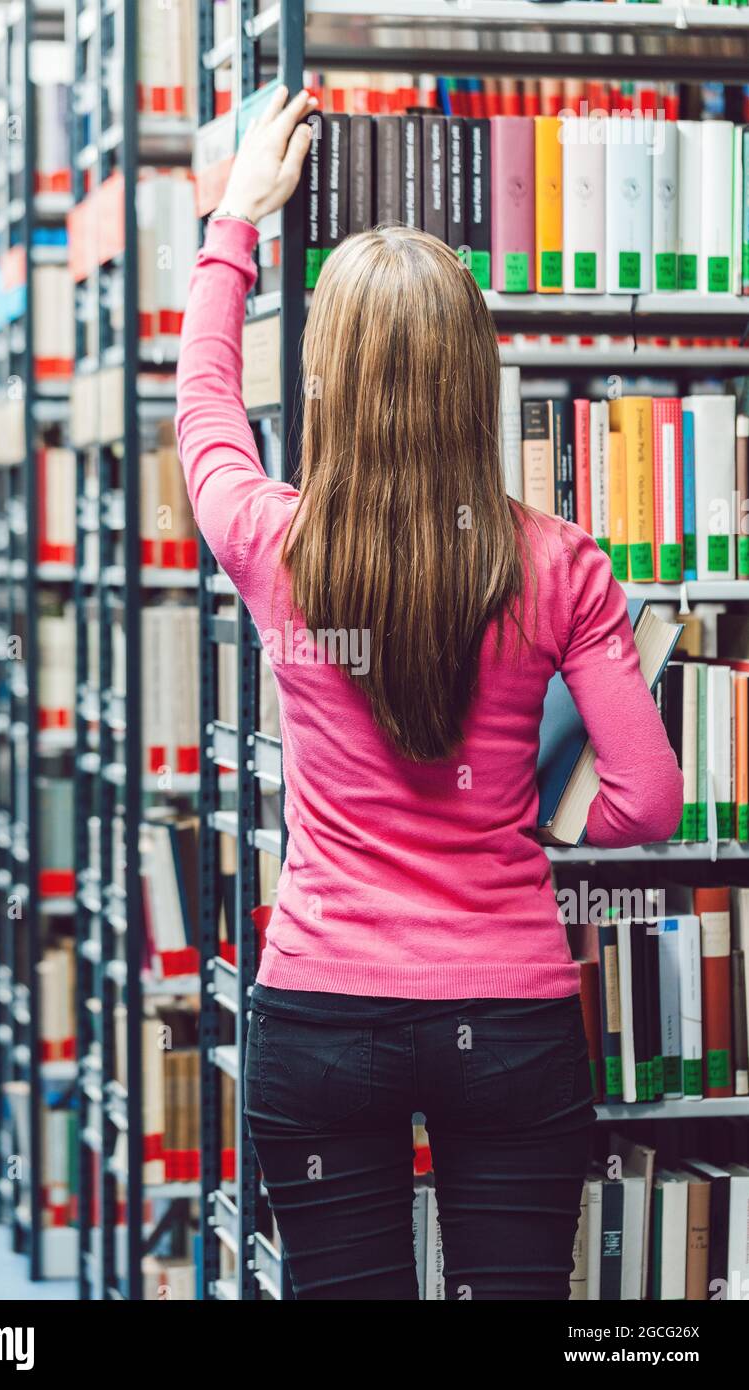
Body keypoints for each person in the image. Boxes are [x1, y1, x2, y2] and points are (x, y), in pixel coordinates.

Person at [175, 86, 683, 1301]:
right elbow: (650, 800)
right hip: (505, 1016)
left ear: (324, 382)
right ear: (477, 379)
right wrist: (533, 827)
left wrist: (232, 224)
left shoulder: (269, 542)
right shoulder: (558, 564)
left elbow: (202, 418)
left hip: (319, 1009)